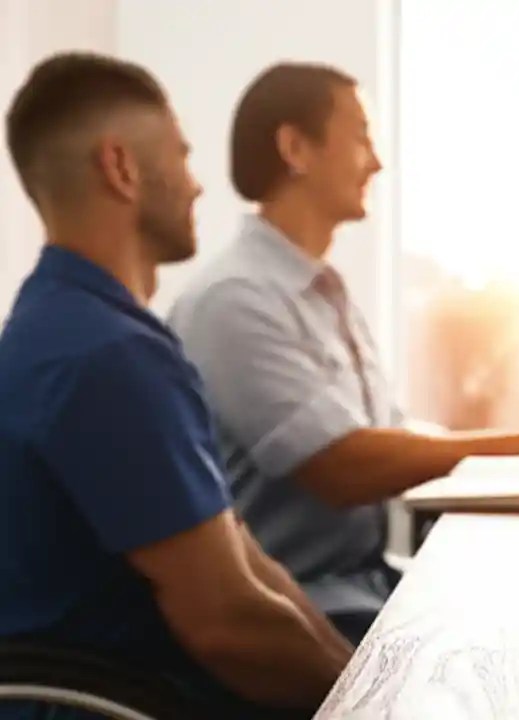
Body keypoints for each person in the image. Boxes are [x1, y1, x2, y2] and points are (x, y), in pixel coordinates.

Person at [167, 62, 519, 645]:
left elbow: (394, 434)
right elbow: (345, 466)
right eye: (360, 135)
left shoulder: (324, 292)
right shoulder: (234, 299)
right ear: (295, 148)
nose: (377, 162)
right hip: (305, 597)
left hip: (369, 579)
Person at [0, 53, 351, 718]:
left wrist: (358, 676)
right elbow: (230, 627)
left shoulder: (66, 325)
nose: (197, 187)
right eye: (183, 157)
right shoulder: (106, 358)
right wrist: (375, 703)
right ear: (122, 167)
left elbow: (245, 563)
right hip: (125, 703)